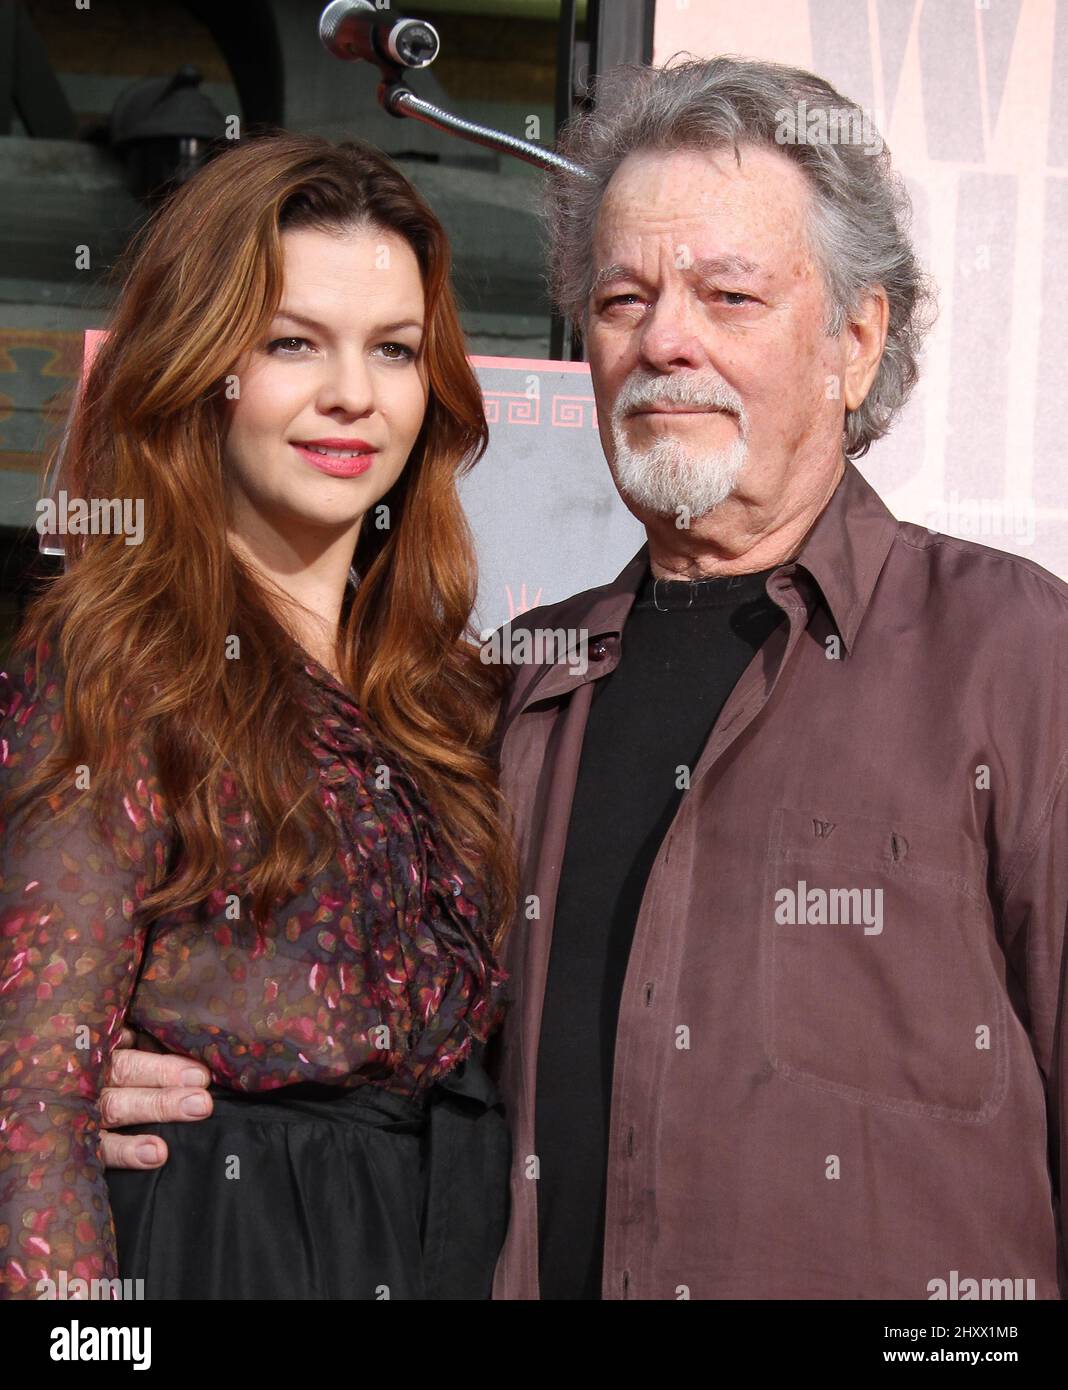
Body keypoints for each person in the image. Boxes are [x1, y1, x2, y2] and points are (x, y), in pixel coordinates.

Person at [99, 55, 1068, 1302]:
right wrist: (102, 1056)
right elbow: (331, 1014)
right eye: (622, 301)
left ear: (856, 338)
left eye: (729, 295)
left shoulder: (1014, 657)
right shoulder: (497, 699)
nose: (667, 340)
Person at [0, 131, 516, 1301]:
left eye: (392, 349)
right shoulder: (118, 671)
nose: (351, 392)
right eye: (294, 343)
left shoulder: (451, 698)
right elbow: (27, 1108)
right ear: (201, 367)